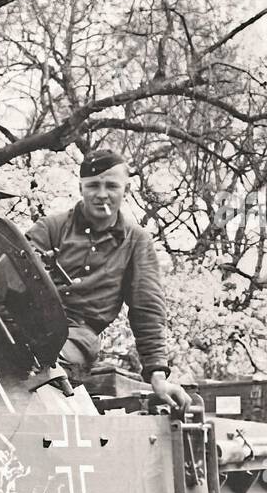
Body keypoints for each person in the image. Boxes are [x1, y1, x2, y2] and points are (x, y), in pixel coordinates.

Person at [24, 148, 191, 410]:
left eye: (111, 185)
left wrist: (157, 375)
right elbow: (13, 267)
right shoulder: (51, 228)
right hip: (28, 323)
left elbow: (147, 309)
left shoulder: (136, 242)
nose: (102, 194)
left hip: (77, 335)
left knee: (40, 362)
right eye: (93, 186)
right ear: (81, 188)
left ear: (126, 188)